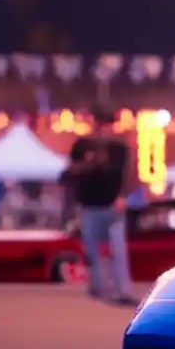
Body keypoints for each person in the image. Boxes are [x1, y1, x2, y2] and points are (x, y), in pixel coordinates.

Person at [67, 109, 134, 304]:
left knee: (118, 249)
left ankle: (122, 290)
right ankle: (98, 286)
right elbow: (71, 171)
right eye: (100, 124)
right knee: (92, 249)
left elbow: (127, 174)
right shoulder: (82, 146)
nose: (103, 129)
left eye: (107, 124)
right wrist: (89, 165)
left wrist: (122, 196)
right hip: (89, 205)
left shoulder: (119, 149)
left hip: (112, 205)